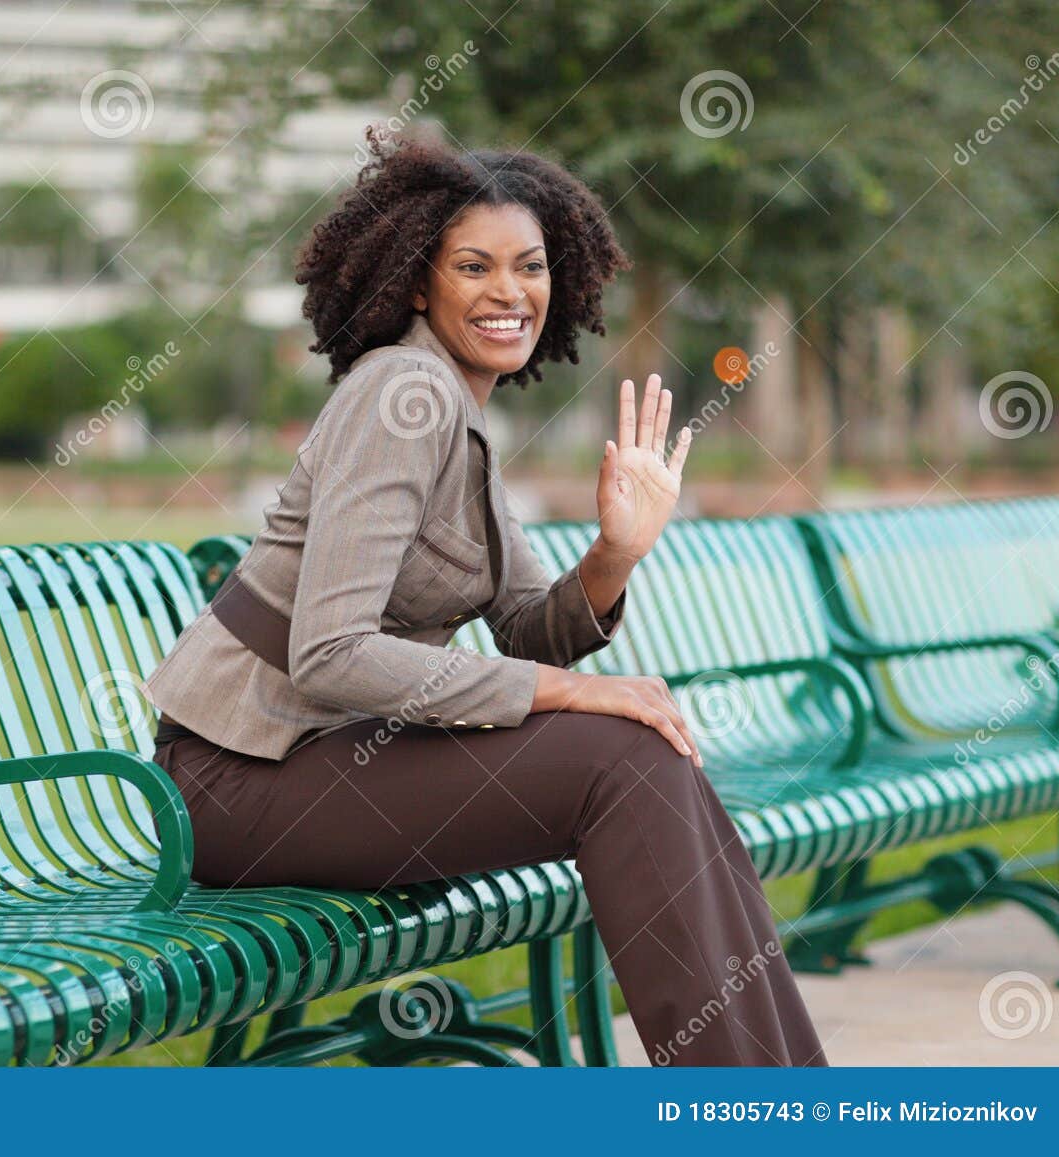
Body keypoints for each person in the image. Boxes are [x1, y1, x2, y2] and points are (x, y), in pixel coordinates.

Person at [140, 130, 828, 1067]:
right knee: (622, 757)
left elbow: (521, 627)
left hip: (319, 763)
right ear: (419, 282)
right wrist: (576, 693)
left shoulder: (457, 407)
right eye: (475, 266)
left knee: (647, 757)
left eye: (530, 266)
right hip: (237, 779)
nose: (511, 292)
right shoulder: (404, 398)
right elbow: (330, 652)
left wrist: (615, 554)